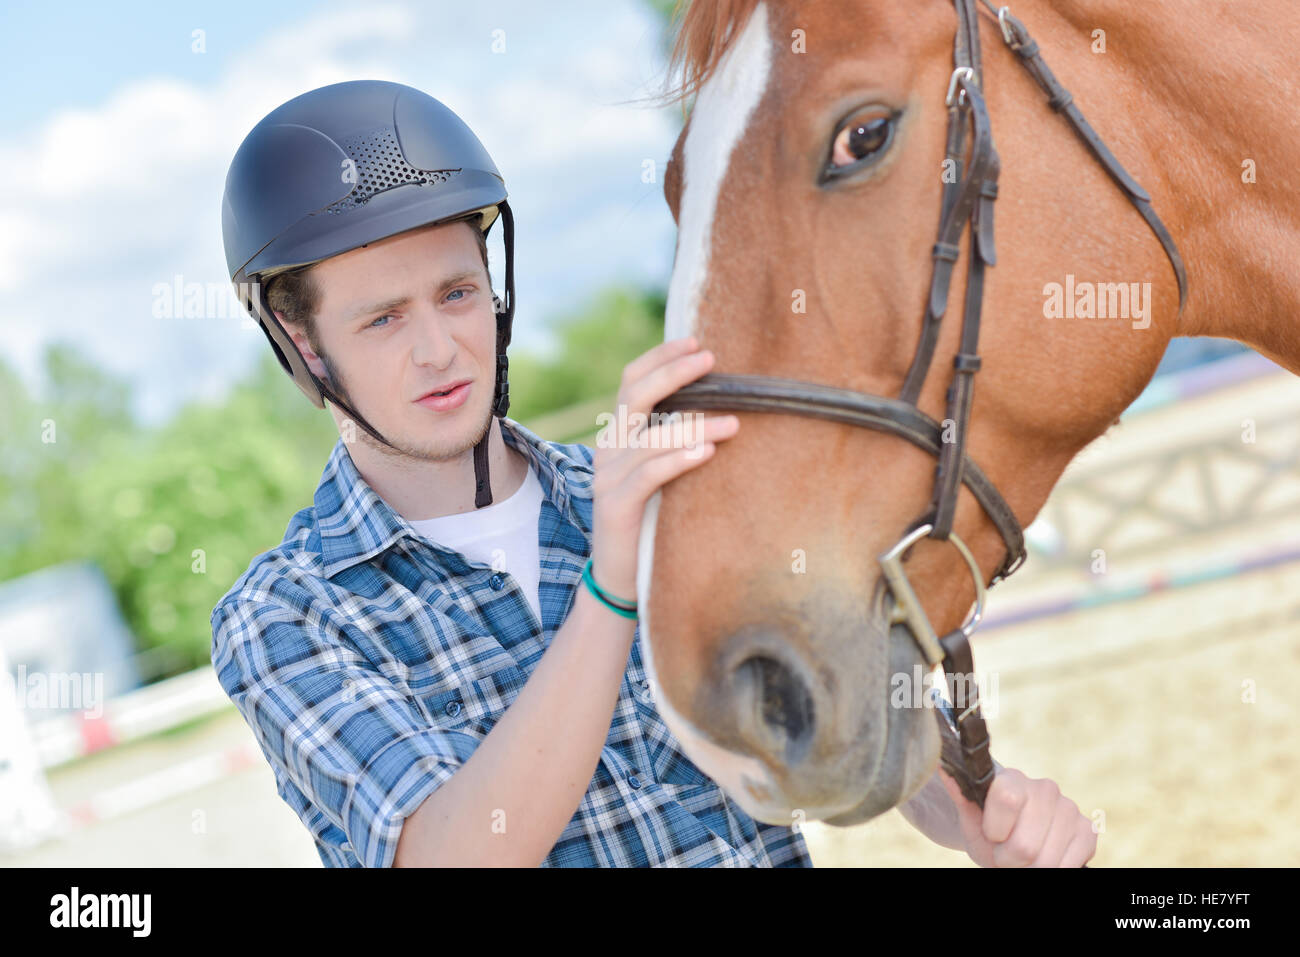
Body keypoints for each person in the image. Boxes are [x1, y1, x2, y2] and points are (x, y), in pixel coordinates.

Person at [212, 79, 1096, 868]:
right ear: (304, 347)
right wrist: (611, 581)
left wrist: (972, 815)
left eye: (456, 293)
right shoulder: (285, 615)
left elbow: (831, 705)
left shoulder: (646, 488)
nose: (440, 348)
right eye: (382, 320)